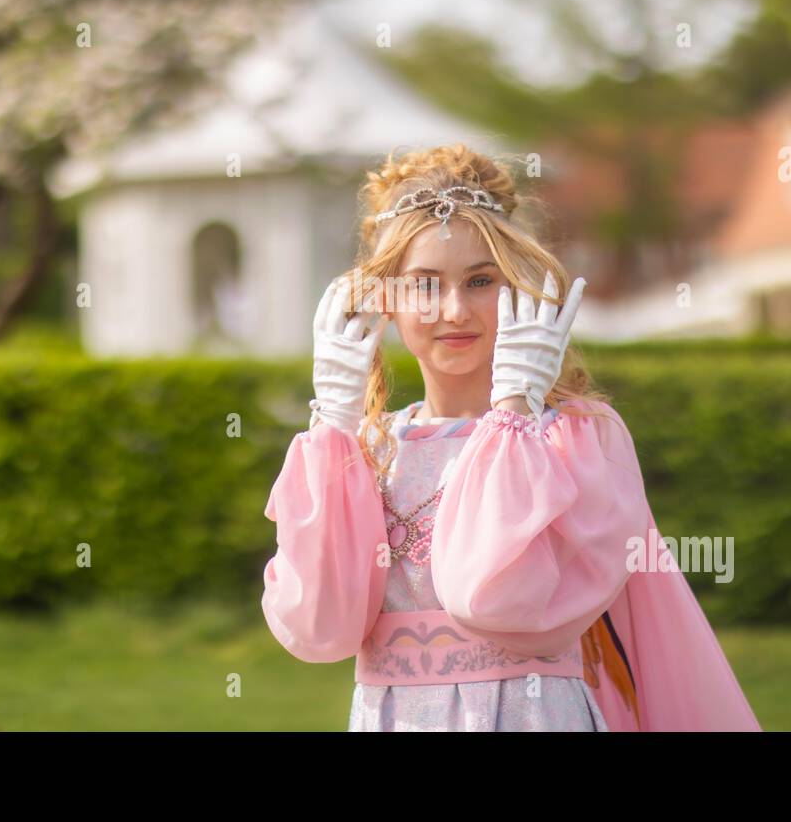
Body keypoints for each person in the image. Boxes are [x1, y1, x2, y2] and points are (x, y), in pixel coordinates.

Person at [260, 143, 761, 731]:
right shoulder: (364, 452)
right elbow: (321, 627)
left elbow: (493, 600)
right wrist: (333, 426)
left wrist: (514, 409)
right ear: (385, 299)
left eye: (480, 281)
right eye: (423, 285)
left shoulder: (576, 438)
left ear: (518, 288)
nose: (453, 311)